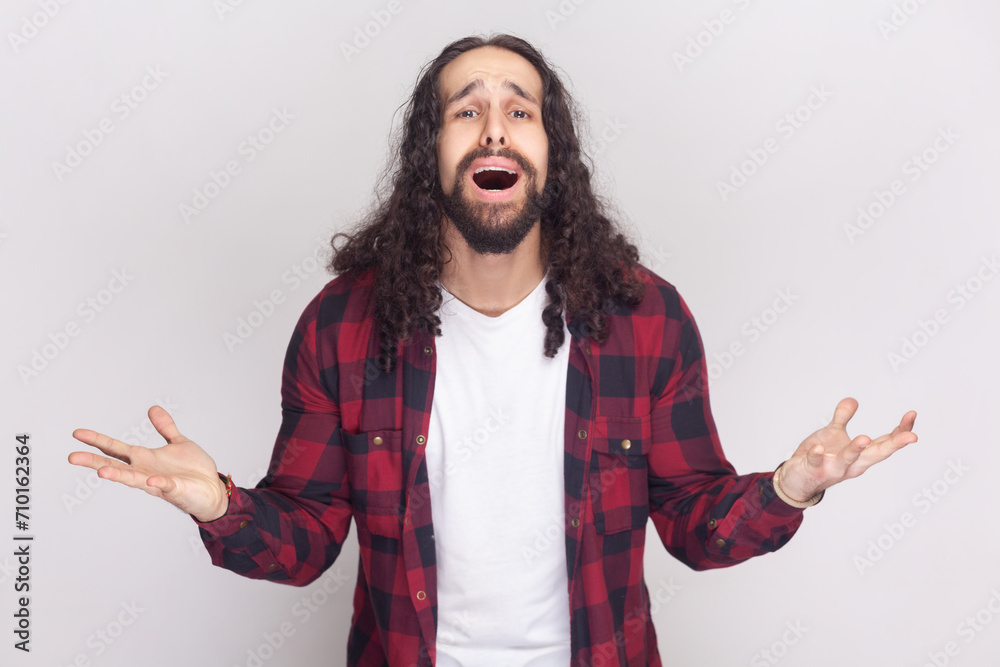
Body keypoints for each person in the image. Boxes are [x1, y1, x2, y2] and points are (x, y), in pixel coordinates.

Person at [69, 33, 918, 667]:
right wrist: (217, 503)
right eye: (464, 109)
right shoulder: (344, 325)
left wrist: (787, 489)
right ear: (428, 154)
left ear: (553, 153)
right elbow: (307, 538)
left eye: (521, 109)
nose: (494, 128)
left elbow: (694, 521)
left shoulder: (645, 317)